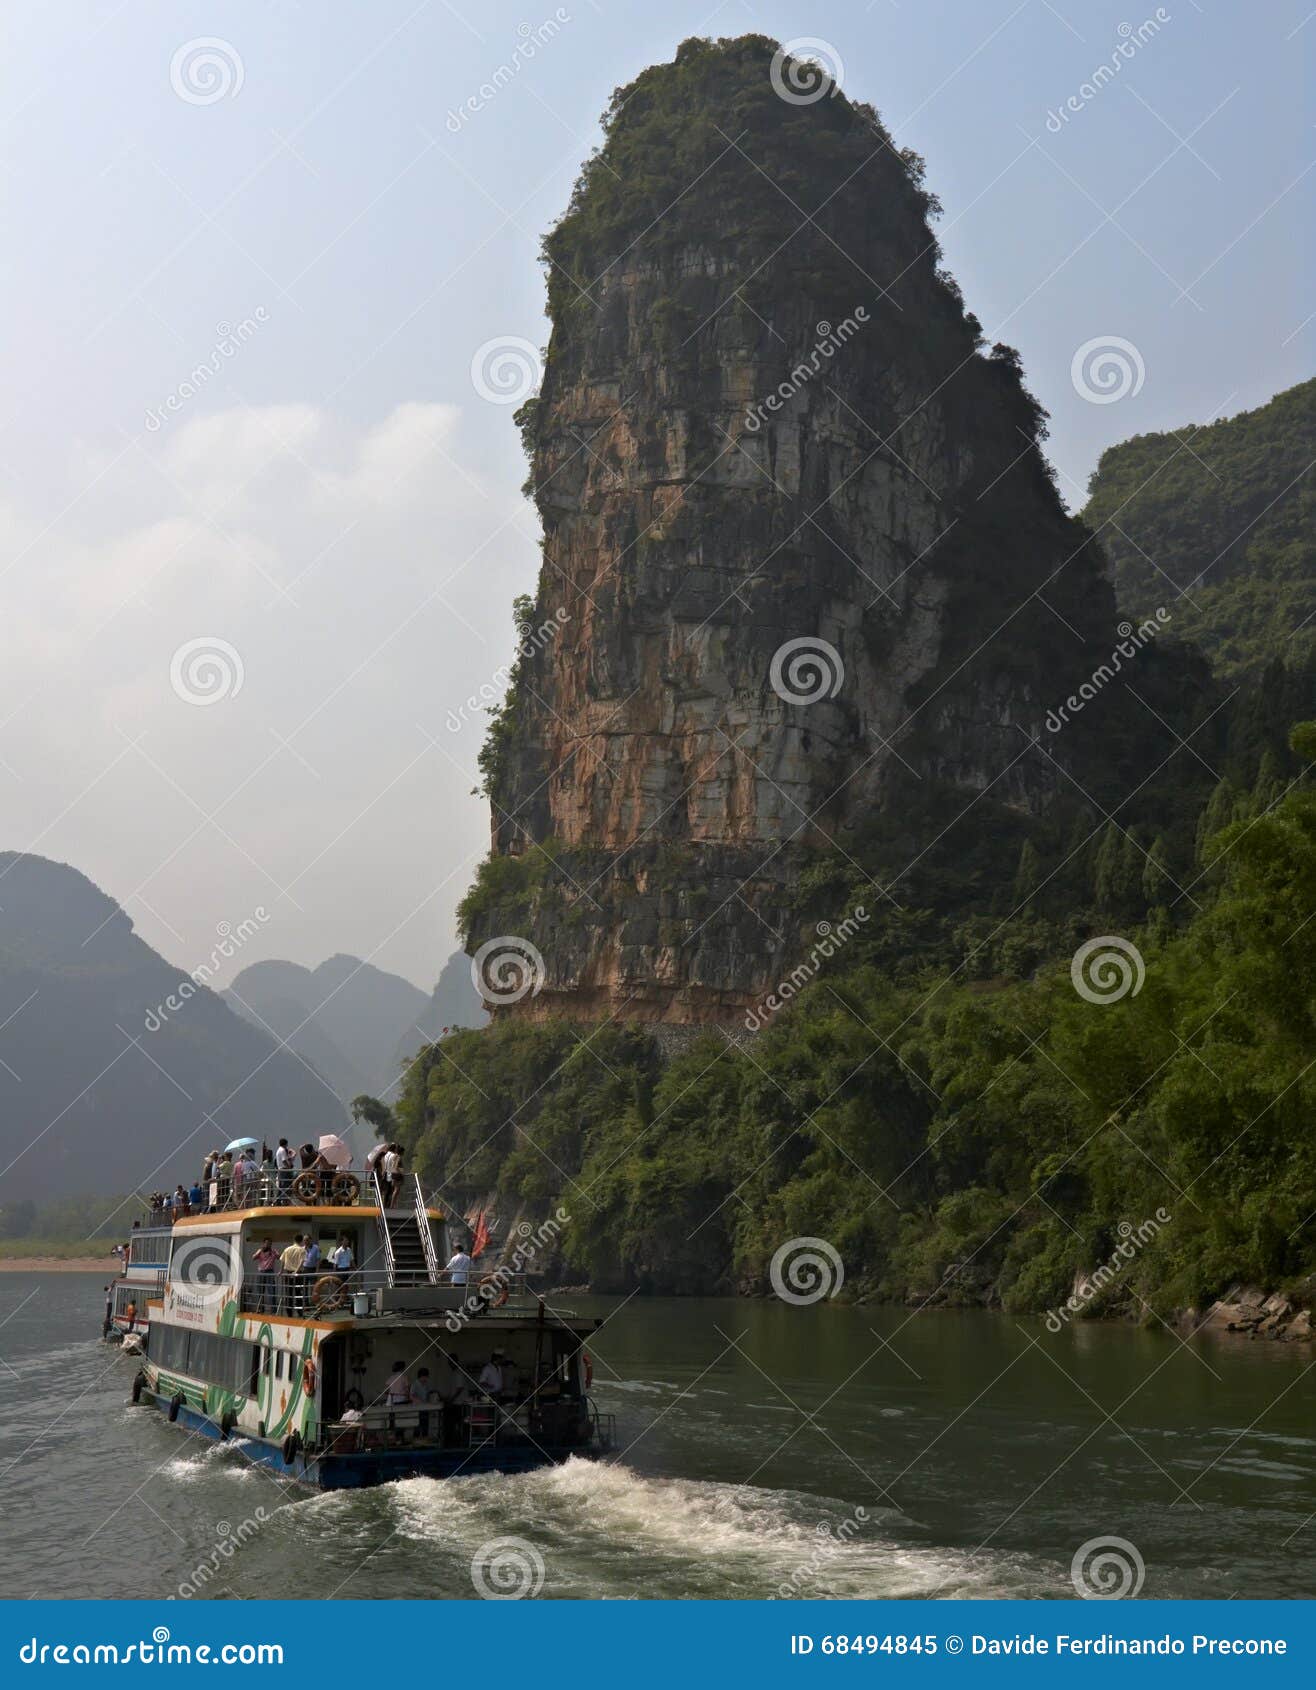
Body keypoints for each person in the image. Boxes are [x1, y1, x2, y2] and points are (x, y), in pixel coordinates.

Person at [279, 1234, 307, 1315]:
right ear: (301, 1241)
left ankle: (289, 1312)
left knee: (289, 1293)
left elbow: (282, 1260)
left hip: (288, 1273)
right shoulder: (302, 1250)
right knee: (299, 1293)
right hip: (298, 1274)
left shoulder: (287, 1249)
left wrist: (280, 1271)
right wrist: (296, 1271)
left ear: (294, 1240)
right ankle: (300, 1311)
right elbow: (302, 1261)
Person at [252, 1237, 278, 1313]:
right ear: (264, 1243)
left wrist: (274, 1253)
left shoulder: (273, 1251)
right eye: (267, 1243)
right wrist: (259, 1252)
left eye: (270, 1243)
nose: (268, 1244)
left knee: (271, 1292)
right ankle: (260, 1309)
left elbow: (280, 1257)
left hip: (270, 1272)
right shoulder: (260, 1251)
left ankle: (273, 1310)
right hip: (261, 1272)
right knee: (260, 1291)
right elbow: (253, 1258)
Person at [274, 1138, 295, 1204]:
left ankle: (278, 1201)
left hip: (280, 1170)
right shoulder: (282, 1150)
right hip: (284, 1170)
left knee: (281, 1187)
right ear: (285, 1144)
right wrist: (289, 1167)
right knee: (286, 1186)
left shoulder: (278, 1150)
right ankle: (284, 1201)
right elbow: (284, 1161)